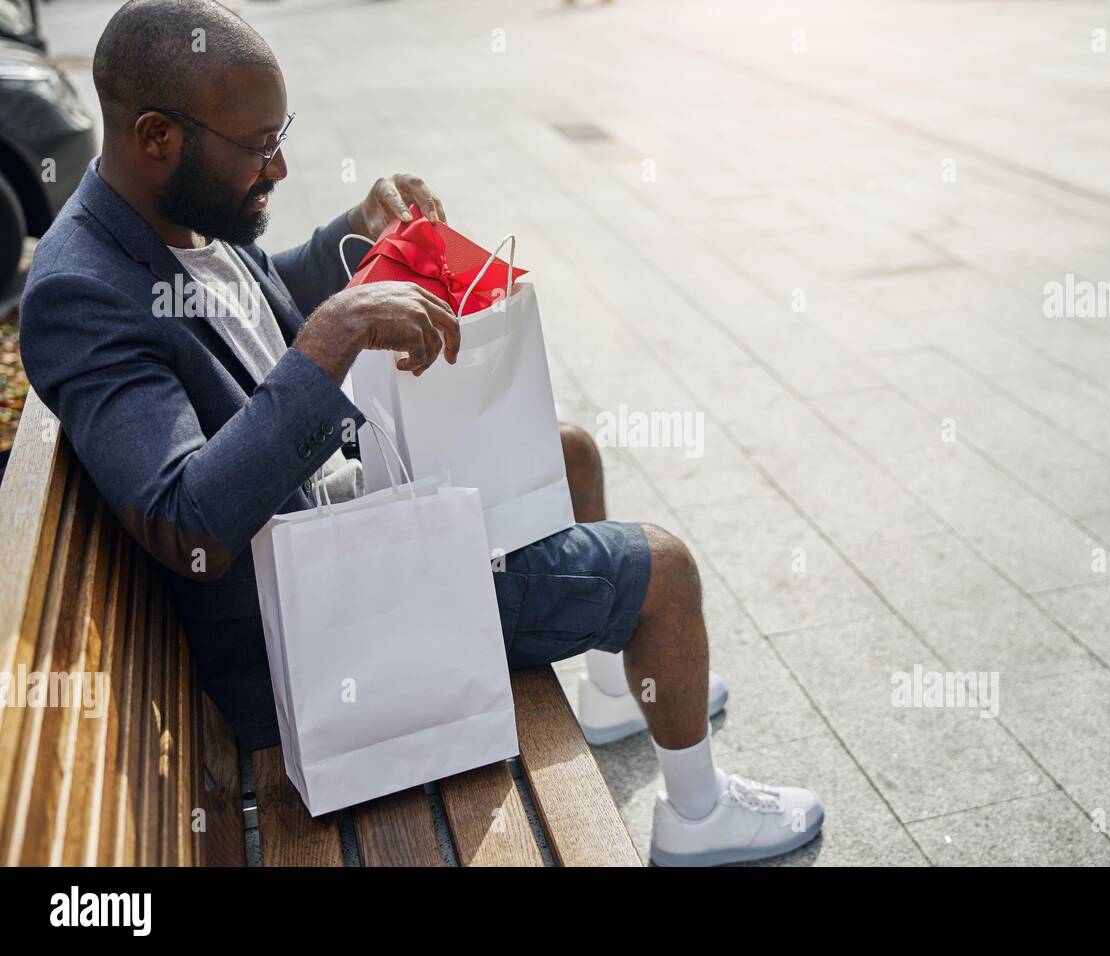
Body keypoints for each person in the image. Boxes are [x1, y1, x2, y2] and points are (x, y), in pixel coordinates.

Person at [18, 0, 823, 866]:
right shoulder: (84, 291)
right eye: (258, 146)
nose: (280, 164)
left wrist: (353, 233)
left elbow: (255, 306)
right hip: (316, 623)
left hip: (335, 518)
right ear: (156, 136)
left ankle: (618, 689)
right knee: (663, 568)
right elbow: (188, 520)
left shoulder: (171, 217)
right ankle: (699, 818)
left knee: (572, 450)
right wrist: (333, 340)